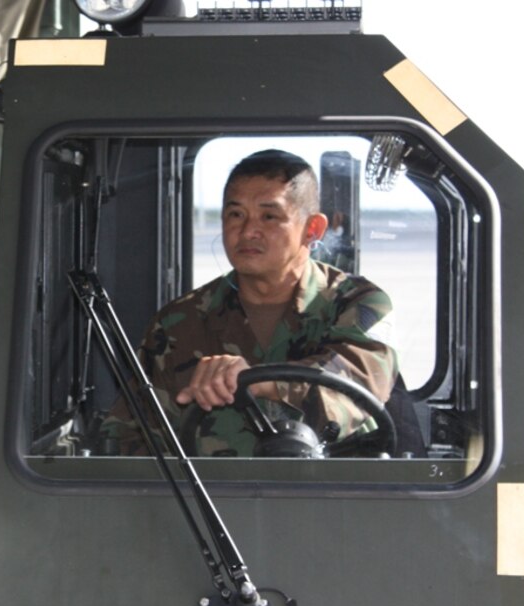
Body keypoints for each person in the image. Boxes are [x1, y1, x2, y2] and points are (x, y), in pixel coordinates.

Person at [106, 149, 398, 457]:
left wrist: (256, 379)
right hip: (210, 502)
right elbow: (130, 437)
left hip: (335, 500)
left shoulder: (359, 305)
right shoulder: (179, 323)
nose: (247, 232)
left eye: (269, 216)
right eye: (235, 215)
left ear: (312, 229)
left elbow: (356, 391)